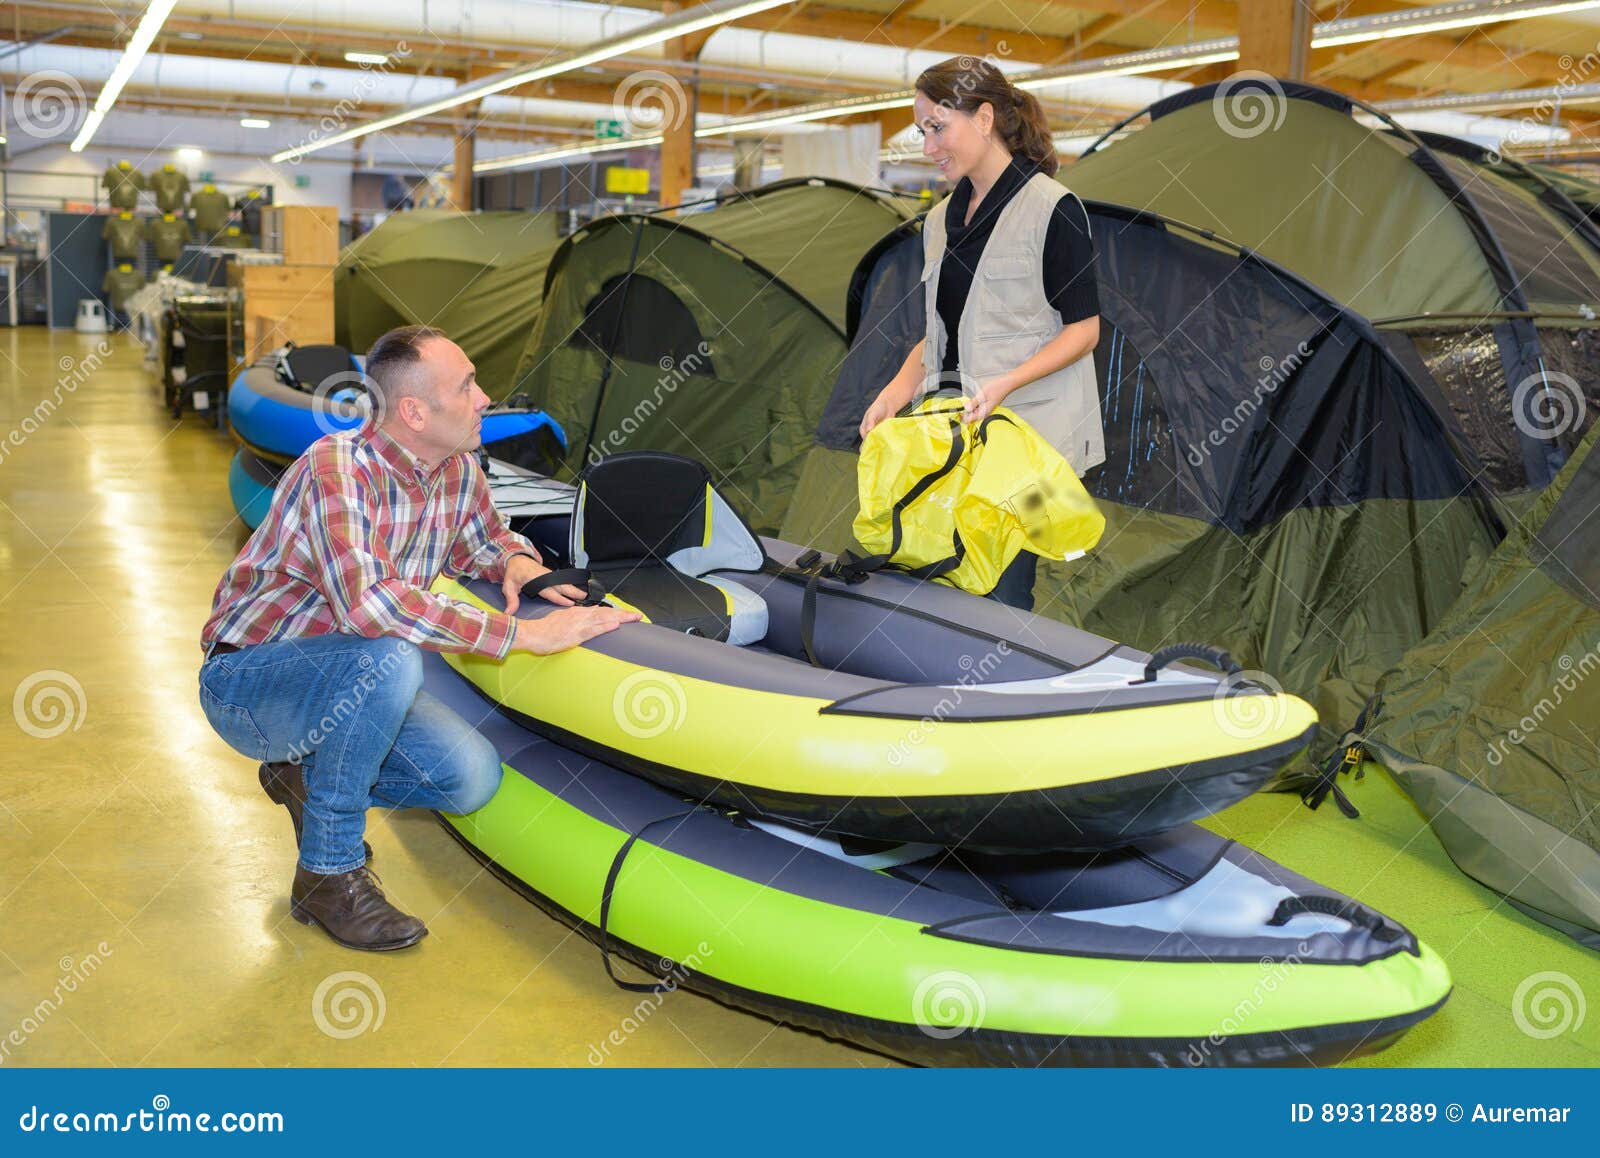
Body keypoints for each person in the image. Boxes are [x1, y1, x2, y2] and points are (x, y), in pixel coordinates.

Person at [199, 325, 638, 952]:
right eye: (467, 386)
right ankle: (328, 874)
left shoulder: (457, 469)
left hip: (350, 680)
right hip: (250, 680)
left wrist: (516, 561)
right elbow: (370, 607)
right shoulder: (336, 468)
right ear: (413, 411)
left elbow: (485, 539)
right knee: (390, 657)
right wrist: (523, 635)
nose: (484, 398)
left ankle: (307, 776)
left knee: (470, 778)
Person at [860, 57, 1103, 611]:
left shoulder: (1054, 209)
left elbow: (1084, 331)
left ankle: (1017, 668)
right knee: (953, 576)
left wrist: (1005, 383)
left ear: (985, 118)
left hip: (1035, 442)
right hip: (959, 434)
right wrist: (894, 393)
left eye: (938, 128)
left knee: (1009, 588)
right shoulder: (939, 220)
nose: (928, 147)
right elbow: (938, 334)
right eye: (922, 131)